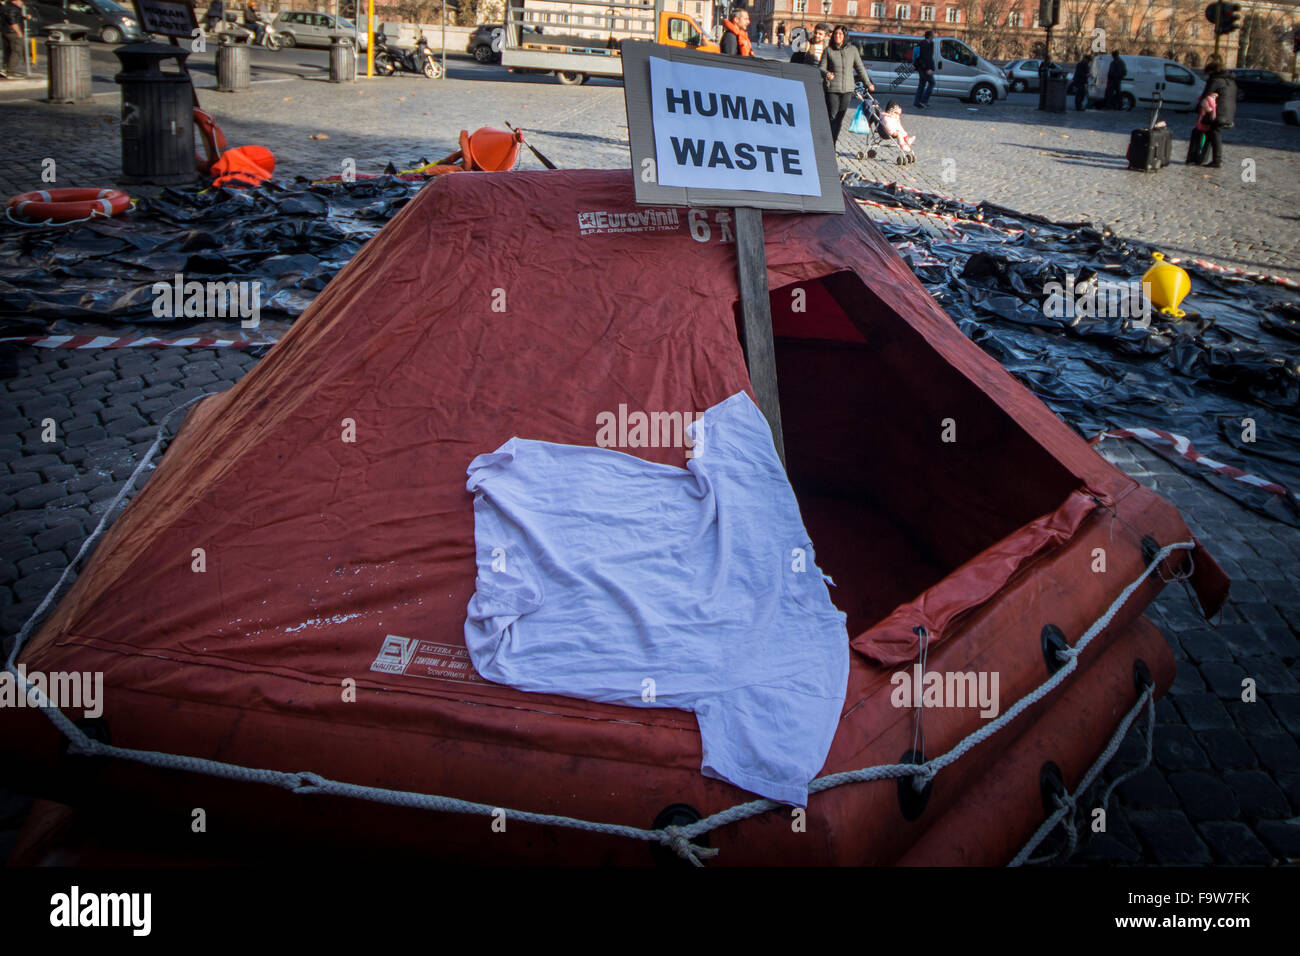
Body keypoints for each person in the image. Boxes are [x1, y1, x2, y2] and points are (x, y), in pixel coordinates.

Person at [820, 25, 873, 146]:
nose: (837, 36)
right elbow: (821, 67)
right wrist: (827, 73)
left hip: (848, 90)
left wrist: (868, 83)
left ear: (845, 36)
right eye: (835, 34)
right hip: (832, 89)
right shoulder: (829, 50)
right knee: (832, 117)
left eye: (840, 34)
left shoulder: (852, 50)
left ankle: (833, 142)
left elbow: (860, 68)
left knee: (839, 118)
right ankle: (829, 145)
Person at [1199, 56, 1237, 168]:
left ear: (1211, 71)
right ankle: (1212, 158)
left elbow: (1205, 94)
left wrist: (1199, 108)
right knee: (1214, 132)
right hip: (1228, 112)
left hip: (1217, 112)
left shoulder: (1215, 80)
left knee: (1214, 133)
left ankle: (1216, 160)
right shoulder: (1231, 81)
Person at [2, 0, 25, 79]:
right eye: (21, 1)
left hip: (6, 32)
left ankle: (6, 69)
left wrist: (24, 17)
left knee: (9, 51)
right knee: (17, 51)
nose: (22, 3)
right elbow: (13, 21)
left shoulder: (6, 7)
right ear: (15, 1)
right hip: (13, 33)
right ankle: (10, 72)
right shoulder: (13, 8)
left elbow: (13, 17)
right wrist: (19, 32)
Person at [913, 29, 935, 109]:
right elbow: (924, 58)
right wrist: (928, 69)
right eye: (933, 35)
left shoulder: (928, 44)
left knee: (922, 85)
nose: (934, 36)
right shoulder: (924, 45)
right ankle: (923, 101)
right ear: (929, 36)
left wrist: (931, 68)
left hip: (923, 68)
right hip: (924, 69)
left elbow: (928, 58)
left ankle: (917, 102)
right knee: (932, 83)